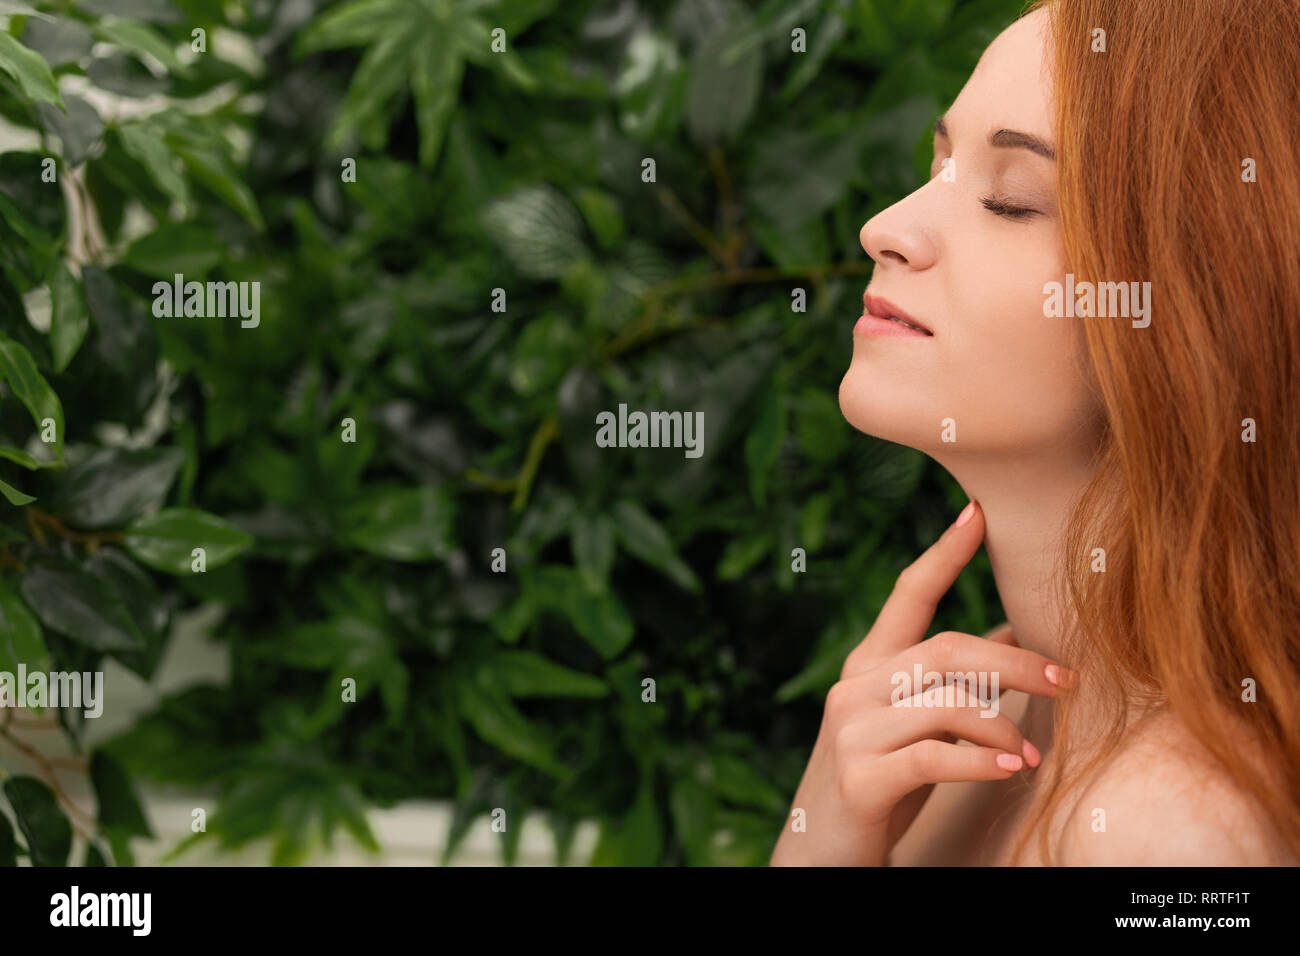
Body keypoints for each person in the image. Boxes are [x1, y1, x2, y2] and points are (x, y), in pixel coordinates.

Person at [772, 0, 1300, 866]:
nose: (886, 230)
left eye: (1010, 201)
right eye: (937, 165)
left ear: (1203, 303)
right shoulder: (991, 726)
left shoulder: (1174, 834)